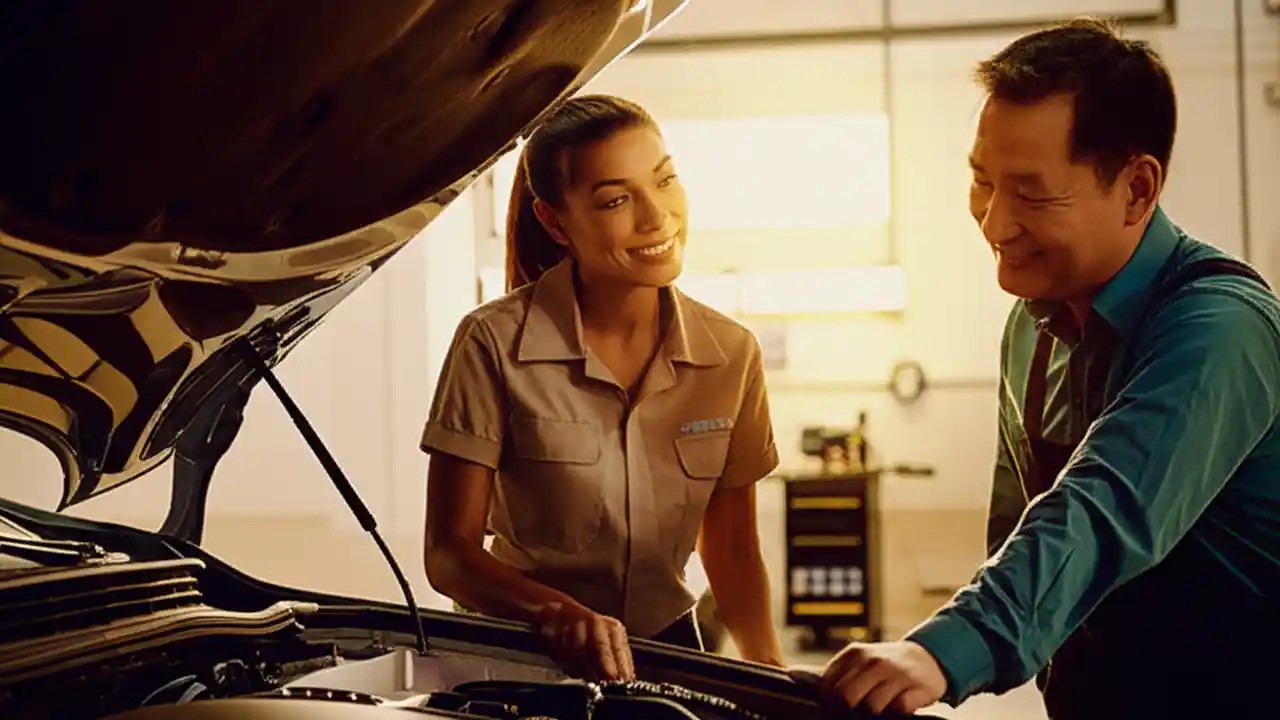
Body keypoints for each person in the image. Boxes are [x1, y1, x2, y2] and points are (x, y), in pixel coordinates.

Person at [813, 18, 1280, 719]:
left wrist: (947, 647)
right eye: (981, 182)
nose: (995, 224)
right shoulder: (1030, 330)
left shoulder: (1218, 326)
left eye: (1031, 194)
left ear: (1136, 188)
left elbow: (1102, 507)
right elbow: (1016, 528)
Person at [421, 94, 784, 682]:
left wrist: (768, 672)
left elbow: (734, 550)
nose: (657, 217)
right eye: (616, 200)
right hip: (518, 655)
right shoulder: (491, 343)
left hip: (667, 651)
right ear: (555, 221)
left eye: (665, 182)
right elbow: (448, 554)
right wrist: (556, 612)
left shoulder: (731, 353)